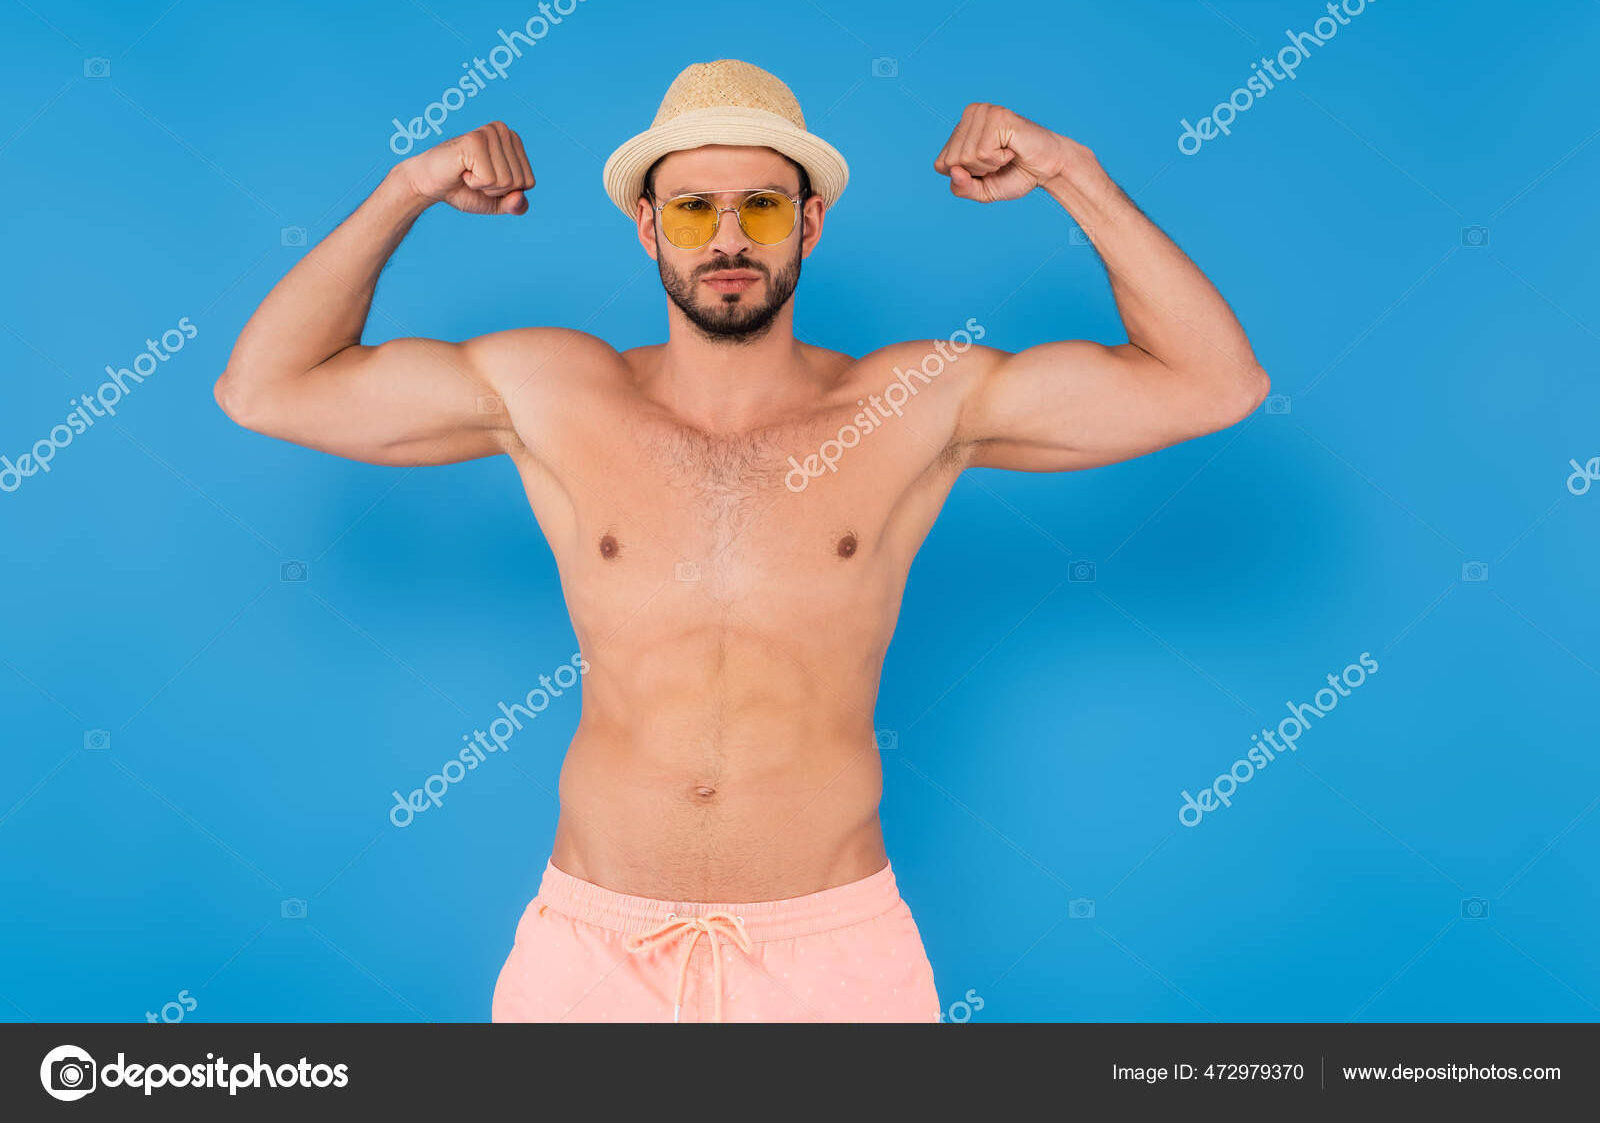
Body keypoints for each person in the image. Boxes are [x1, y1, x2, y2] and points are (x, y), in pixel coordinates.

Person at [214, 59, 1269, 1023]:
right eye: (694, 210)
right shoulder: (553, 390)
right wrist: (405, 189)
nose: (727, 239)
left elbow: (1215, 384)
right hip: (595, 952)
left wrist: (1071, 173)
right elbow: (265, 387)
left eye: (761, 207)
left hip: (831, 954)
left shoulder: (910, 400)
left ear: (808, 227)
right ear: (647, 227)